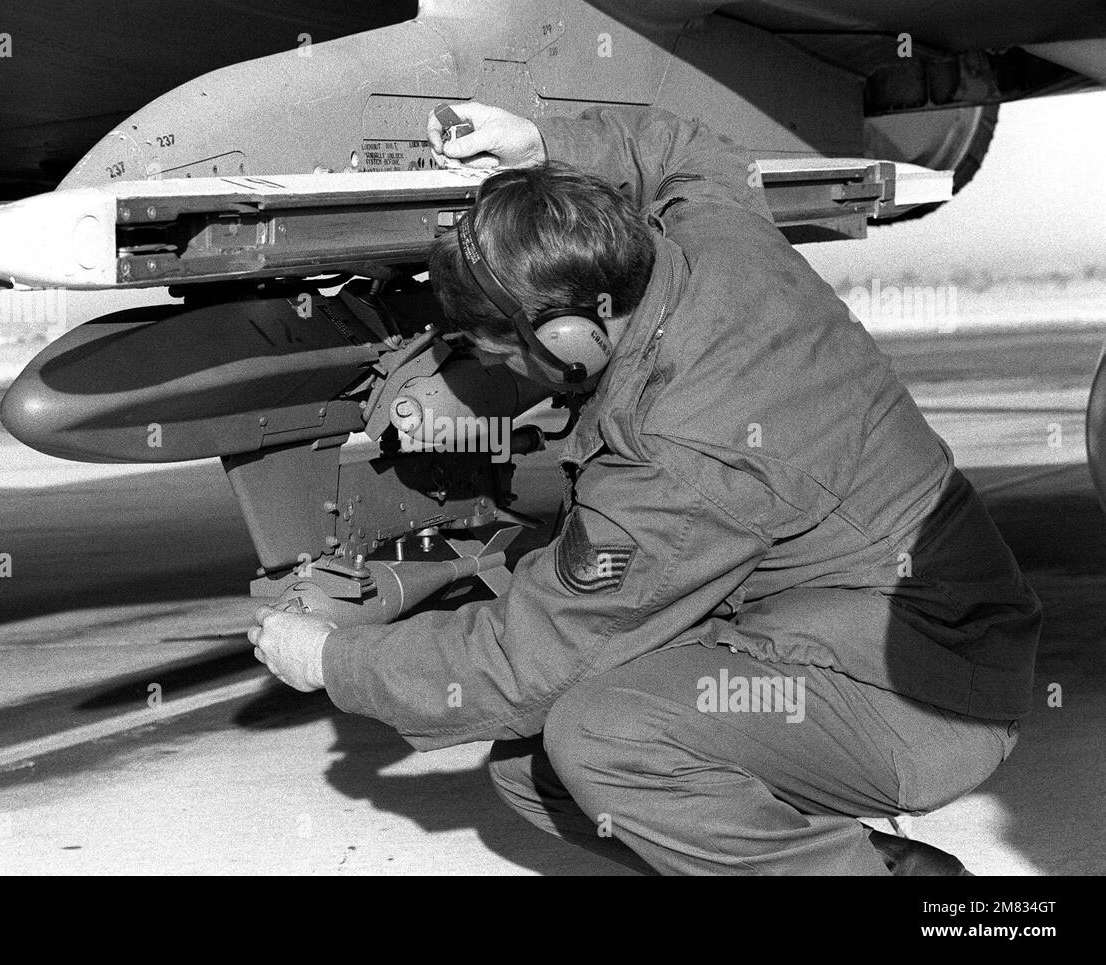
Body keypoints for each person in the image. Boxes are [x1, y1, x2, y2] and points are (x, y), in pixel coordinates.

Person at [247, 102, 1042, 875]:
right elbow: (689, 148)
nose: (506, 377)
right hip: (859, 623)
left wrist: (334, 659)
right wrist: (538, 145)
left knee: (607, 739)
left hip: (925, 685)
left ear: (568, 335)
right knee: (537, 775)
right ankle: (875, 866)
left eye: (504, 355)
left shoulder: (681, 450)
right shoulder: (714, 242)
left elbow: (529, 657)